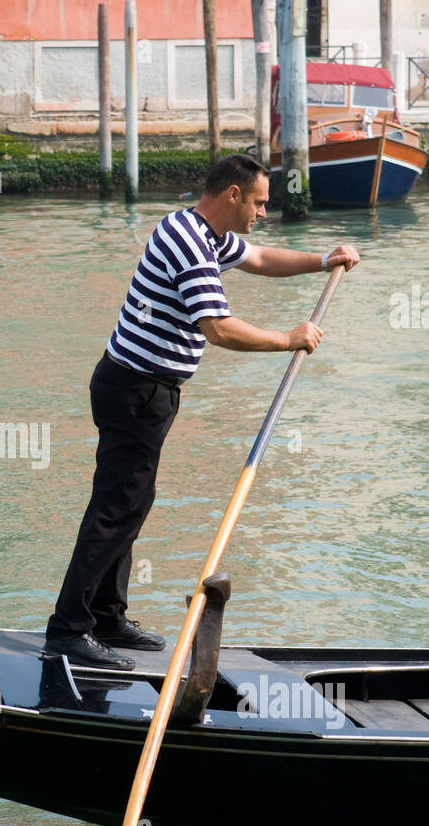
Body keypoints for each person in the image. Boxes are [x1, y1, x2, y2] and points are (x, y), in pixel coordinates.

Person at [44, 153, 360, 671]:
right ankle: (68, 630)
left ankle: (105, 615)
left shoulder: (206, 233)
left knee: (132, 502)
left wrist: (321, 260)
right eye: (258, 202)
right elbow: (218, 328)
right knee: (116, 508)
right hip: (135, 389)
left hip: (147, 389)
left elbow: (258, 258)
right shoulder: (188, 242)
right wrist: (288, 338)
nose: (262, 212)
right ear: (232, 195)